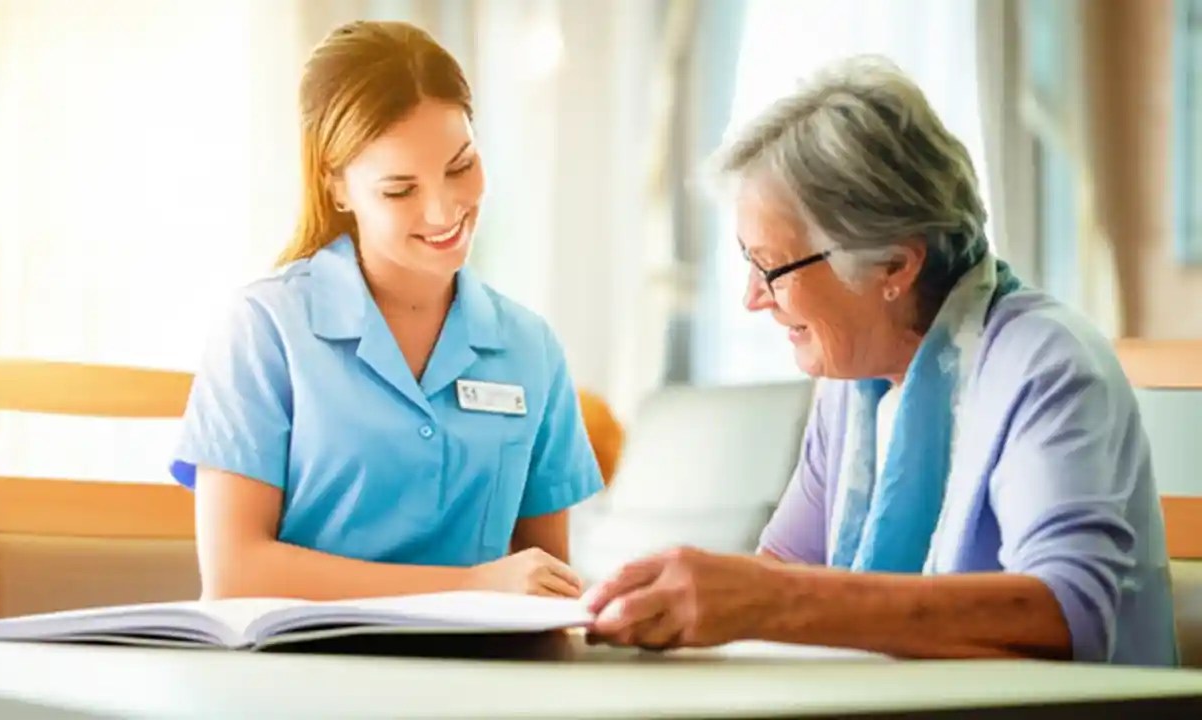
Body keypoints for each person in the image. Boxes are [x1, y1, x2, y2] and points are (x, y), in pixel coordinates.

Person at [584, 56, 1178, 665]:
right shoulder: (856, 381)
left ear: (895, 264)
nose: (752, 296)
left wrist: (768, 599)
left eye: (772, 266)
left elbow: (1066, 614)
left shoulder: (1047, 364)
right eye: (747, 259)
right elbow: (786, 568)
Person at [170, 21, 603, 601]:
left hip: (479, 682)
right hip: (296, 679)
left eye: (460, 166)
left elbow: (544, 583)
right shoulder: (266, 329)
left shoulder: (530, 348)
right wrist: (468, 586)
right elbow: (235, 575)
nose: (444, 209)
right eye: (400, 189)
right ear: (338, 187)